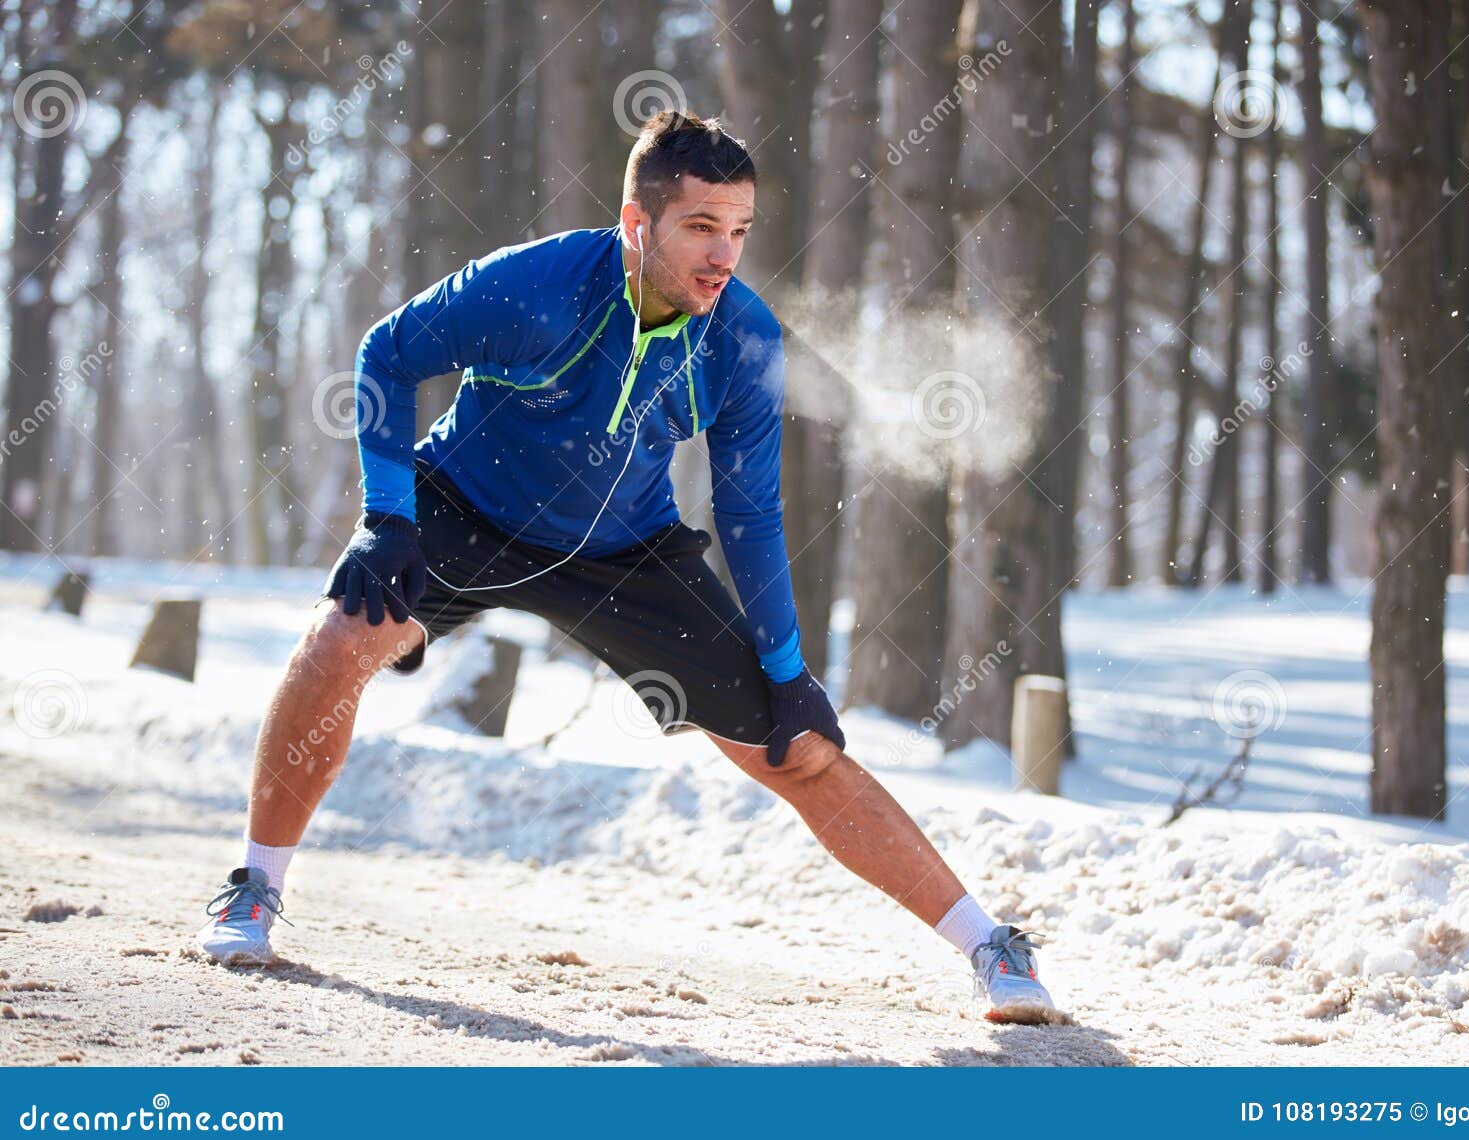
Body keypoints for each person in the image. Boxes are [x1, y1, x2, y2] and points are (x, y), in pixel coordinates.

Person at [194, 110, 1054, 1023]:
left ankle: (990, 945)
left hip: (623, 553)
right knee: (336, 643)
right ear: (638, 223)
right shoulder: (539, 286)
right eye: (700, 228)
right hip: (465, 510)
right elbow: (387, 354)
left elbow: (751, 511)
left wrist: (788, 668)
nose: (724, 255)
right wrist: (387, 518)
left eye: (739, 231)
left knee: (798, 748)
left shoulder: (744, 341)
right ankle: (254, 886)